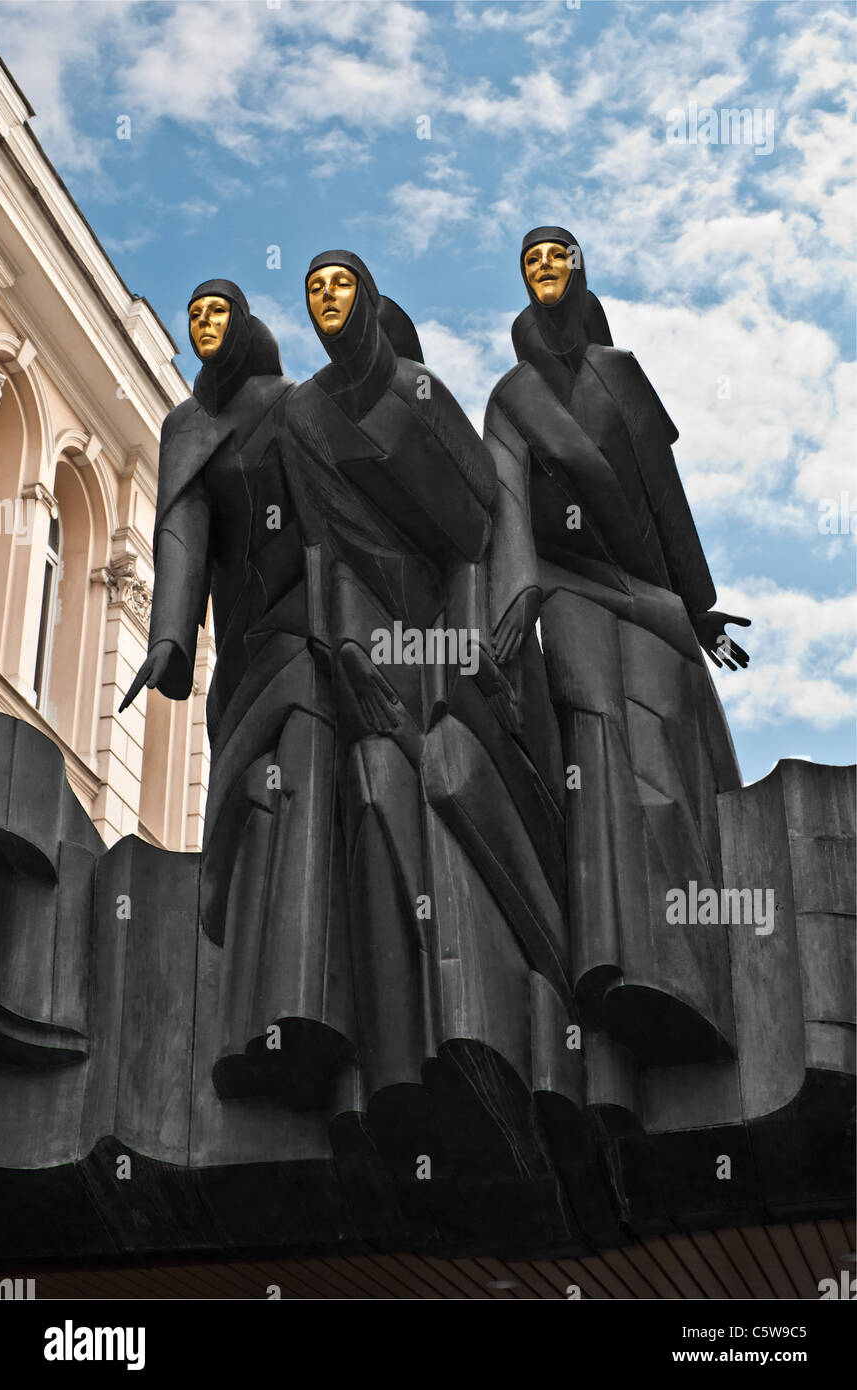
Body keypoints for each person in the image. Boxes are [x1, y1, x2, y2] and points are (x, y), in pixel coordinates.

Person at [283, 250, 574, 1175]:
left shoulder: (417, 391)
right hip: (377, 635)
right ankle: (396, 1065)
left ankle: (499, 1021)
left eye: (341, 285)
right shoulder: (302, 415)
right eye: (313, 287)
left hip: (458, 627)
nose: (327, 300)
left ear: (368, 299)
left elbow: (482, 527)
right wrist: (348, 649)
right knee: (372, 783)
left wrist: (467, 655)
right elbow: (328, 549)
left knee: (450, 768)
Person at [484, 226, 751, 1066]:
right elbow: (501, 499)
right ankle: (611, 961)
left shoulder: (622, 376)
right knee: (595, 741)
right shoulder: (511, 396)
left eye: (554, 255)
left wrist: (699, 609)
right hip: (566, 588)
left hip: (651, 599)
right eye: (530, 260)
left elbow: (664, 501)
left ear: (579, 268)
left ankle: (690, 967)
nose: (543, 268)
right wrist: (514, 599)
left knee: (668, 751)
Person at [121, 279, 355, 1109]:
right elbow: (181, 534)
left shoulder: (291, 405)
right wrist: (168, 640)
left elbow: (328, 528)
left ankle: (303, 1010)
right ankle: (255, 1009)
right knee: (243, 807)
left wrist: (338, 631)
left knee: (297, 796)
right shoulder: (184, 427)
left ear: (244, 324)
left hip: (305, 631)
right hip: (244, 651)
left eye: (218, 312)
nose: (204, 325)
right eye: (194, 317)